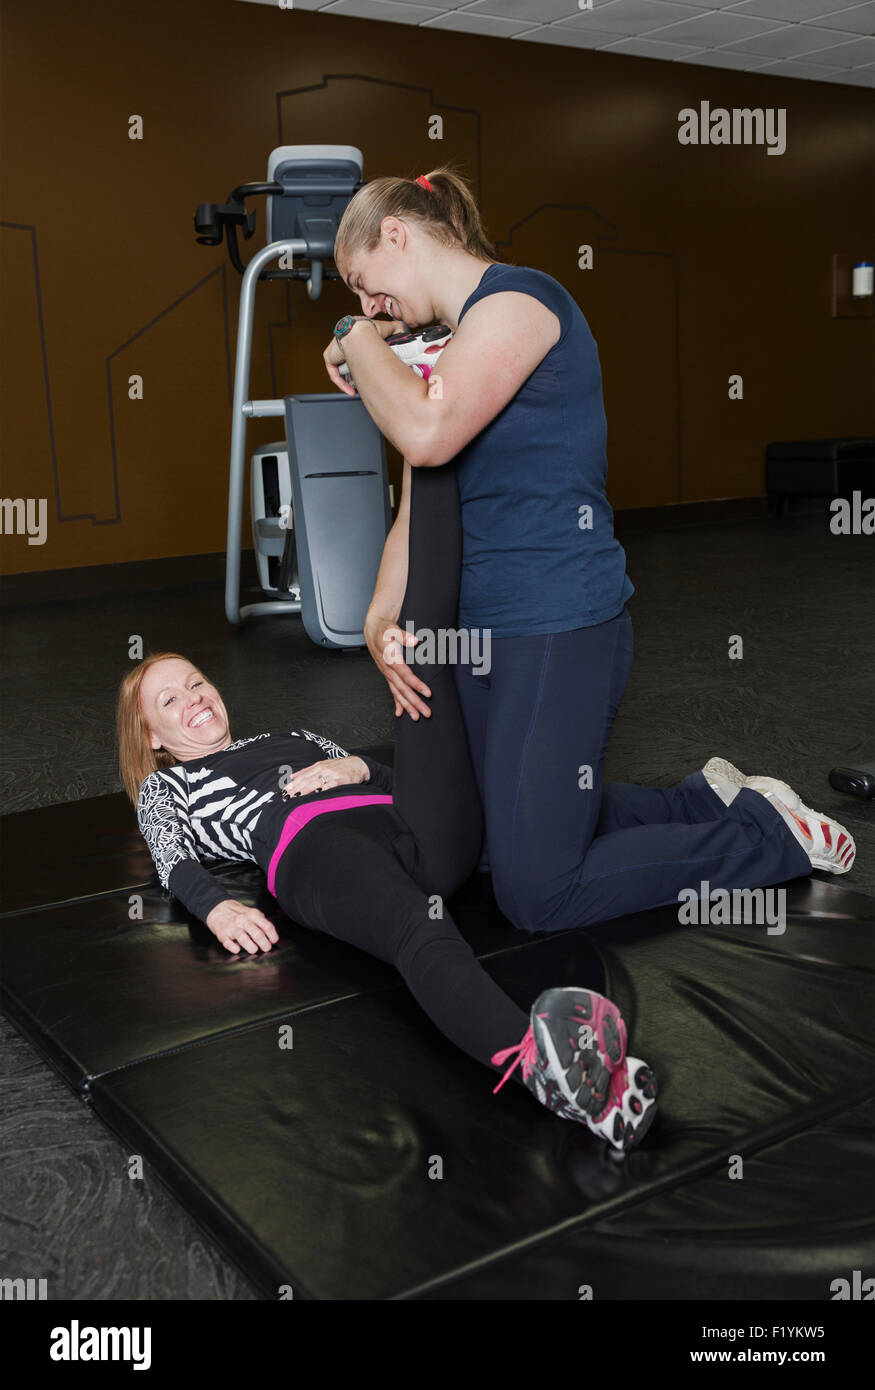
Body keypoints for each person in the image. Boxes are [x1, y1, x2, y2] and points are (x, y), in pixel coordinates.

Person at [325, 165, 856, 940]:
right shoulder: (442, 346)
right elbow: (421, 492)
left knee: (537, 893)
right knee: (475, 846)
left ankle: (769, 839)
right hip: (477, 627)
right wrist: (379, 619)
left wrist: (351, 338)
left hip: (557, 623)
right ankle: (704, 799)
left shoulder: (522, 302)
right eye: (354, 305)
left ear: (397, 235)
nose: (368, 309)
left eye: (363, 285)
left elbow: (425, 430)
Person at [118, 461, 659, 1153]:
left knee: (425, 668)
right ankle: (540, 1068)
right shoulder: (170, 788)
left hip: (410, 817)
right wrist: (217, 906)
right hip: (317, 849)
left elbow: (387, 771)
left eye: (194, 681)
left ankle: (426, 461)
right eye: (171, 701)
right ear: (153, 741)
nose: (195, 696)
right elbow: (170, 856)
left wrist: (353, 763)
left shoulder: (290, 735)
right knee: (418, 935)